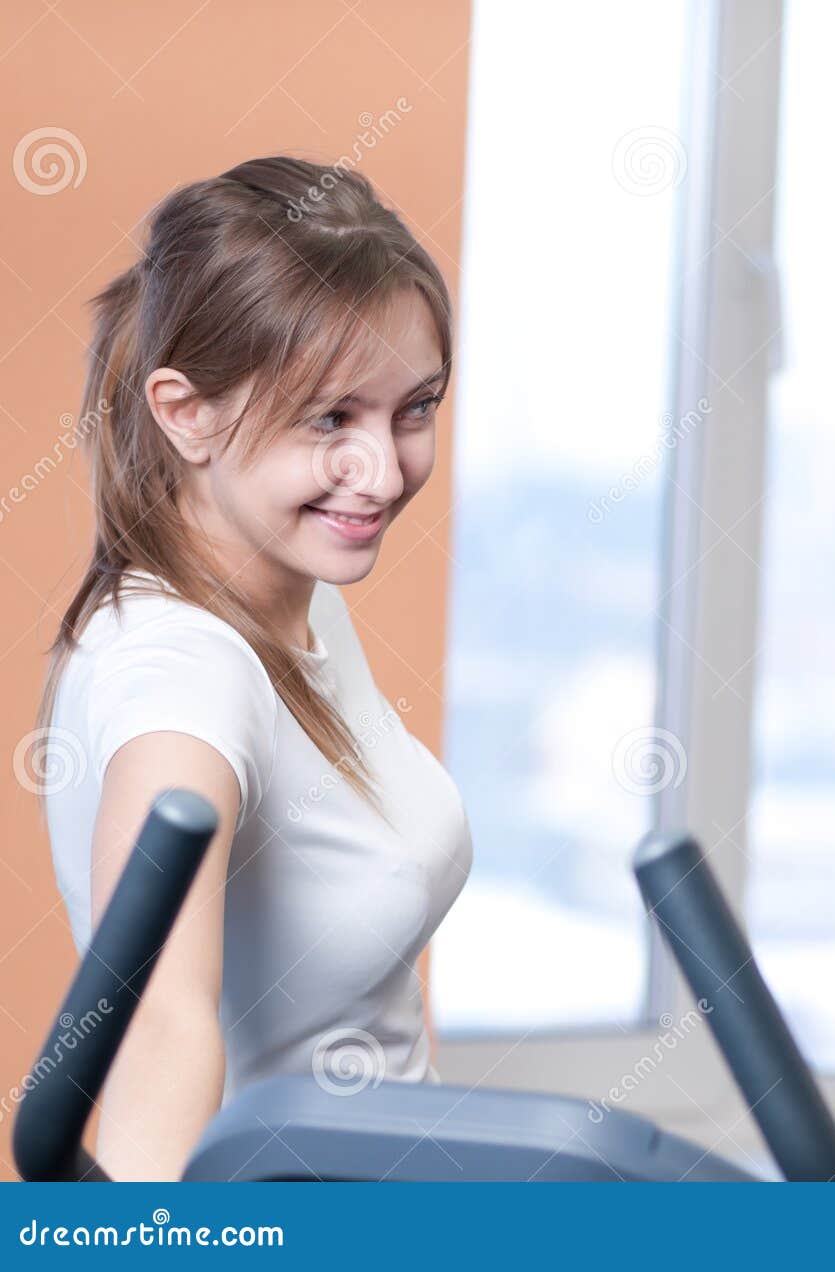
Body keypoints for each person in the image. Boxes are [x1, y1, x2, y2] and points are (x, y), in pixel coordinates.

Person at [36, 157, 472, 1181]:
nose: (384, 471)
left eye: (415, 408)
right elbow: (161, 1024)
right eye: (331, 420)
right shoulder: (180, 670)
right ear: (187, 413)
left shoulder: (296, 584)